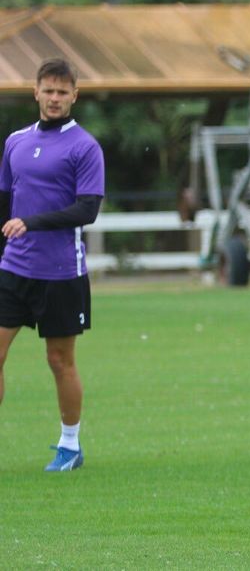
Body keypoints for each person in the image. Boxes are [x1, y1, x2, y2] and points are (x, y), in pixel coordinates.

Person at [0, 57, 105, 472]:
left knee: (59, 361)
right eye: (49, 90)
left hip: (62, 273)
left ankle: (70, 446)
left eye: (63, 91)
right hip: (14, 269)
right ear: (36, 92)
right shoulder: (15, 142)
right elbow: (5, 203)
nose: (55, 98)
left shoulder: (85, 147)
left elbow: (87, 210)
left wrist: (33, 222)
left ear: (74, 95)